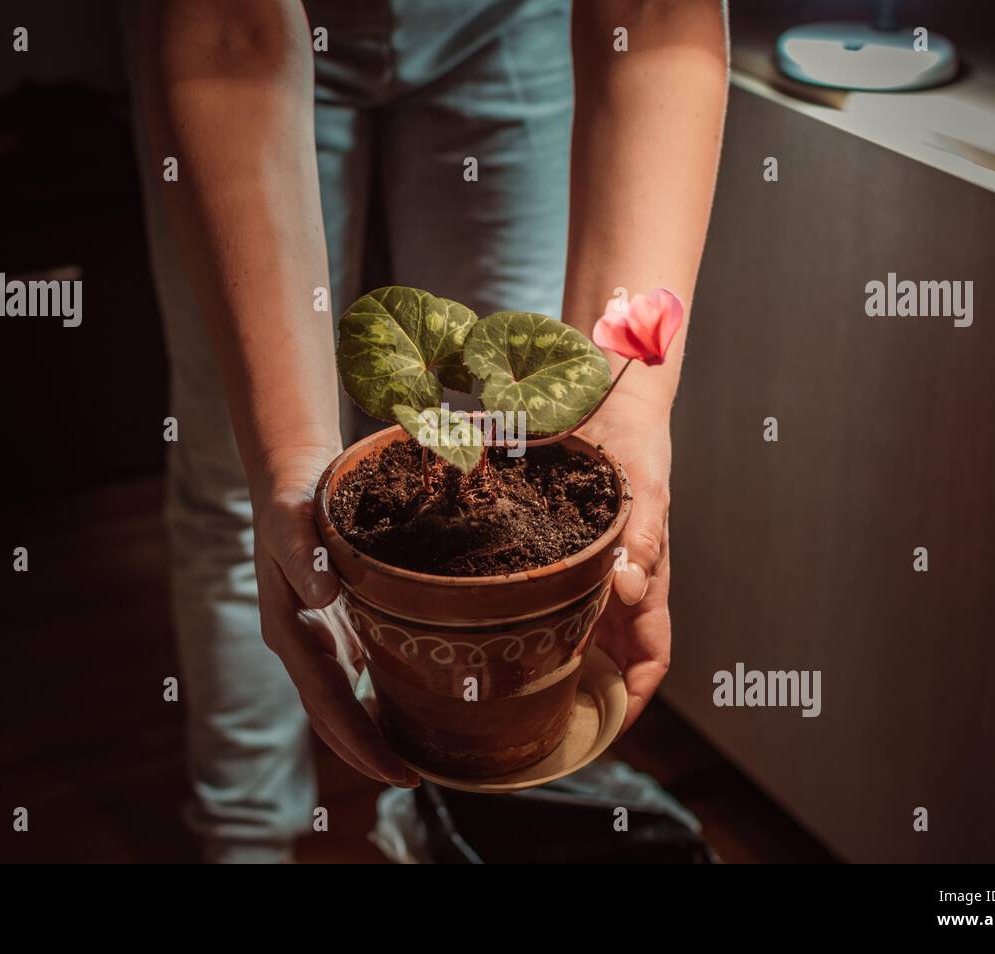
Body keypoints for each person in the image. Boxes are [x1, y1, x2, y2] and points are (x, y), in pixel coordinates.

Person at [125, 0, 728, 862]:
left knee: (528, 434)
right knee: (256, 491)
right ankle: (244, 840)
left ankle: (488, 817)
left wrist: (631, 422)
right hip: (232, 37)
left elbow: (658, 16)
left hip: (510, 20)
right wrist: (290, 458)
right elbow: (227, 29)